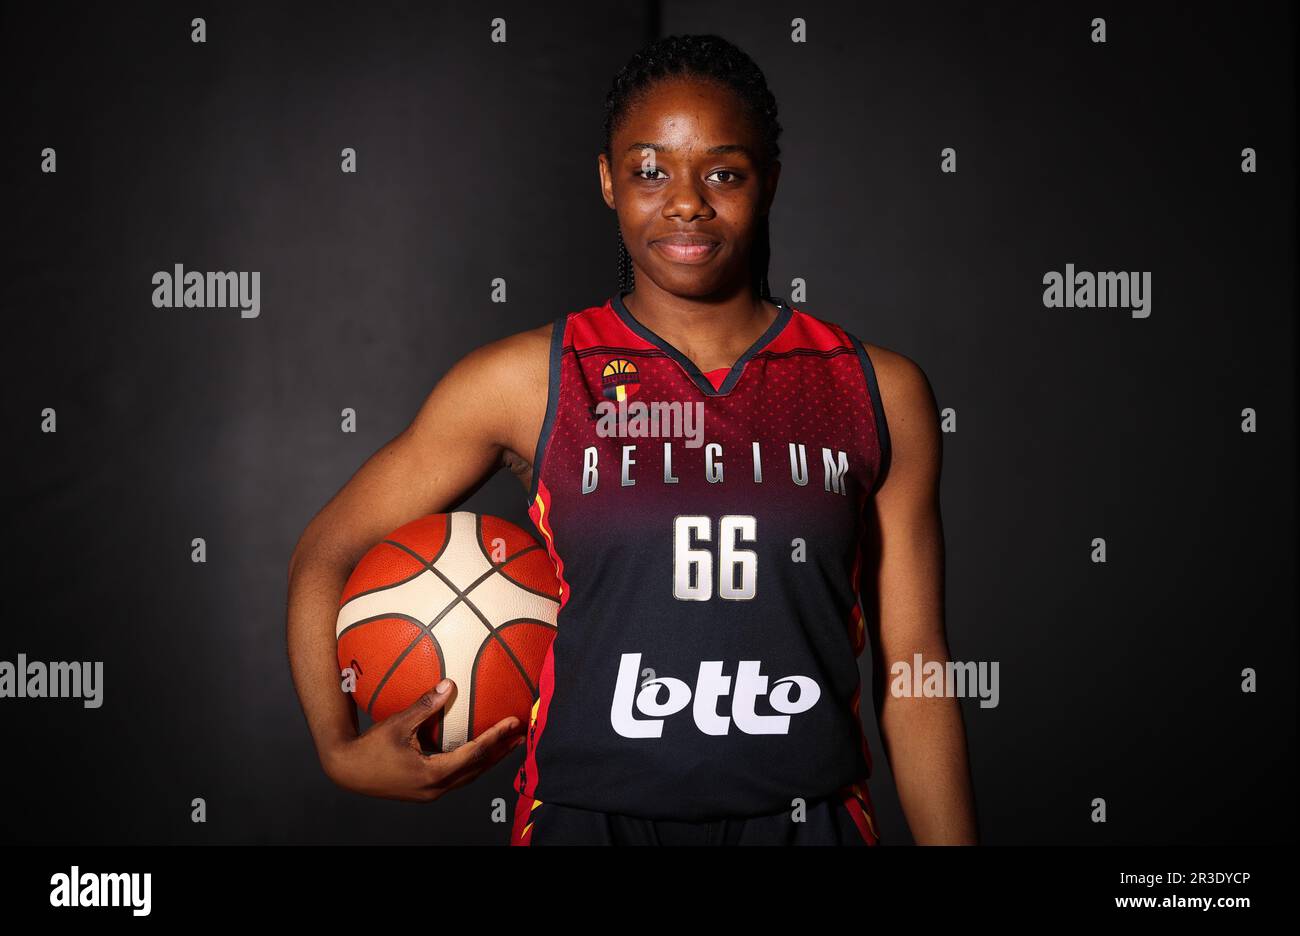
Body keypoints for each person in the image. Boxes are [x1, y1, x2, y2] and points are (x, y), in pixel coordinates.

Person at [287, 33, 977, 845]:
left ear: (770, 183)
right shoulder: (528, 380)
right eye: (650, 170)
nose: (686, 202)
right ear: (610, 181)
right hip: (587, 824)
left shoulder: (874, 388)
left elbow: (916, 670)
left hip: (806, 822)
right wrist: (337, 747)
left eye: (724, 172)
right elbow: (327, 550)